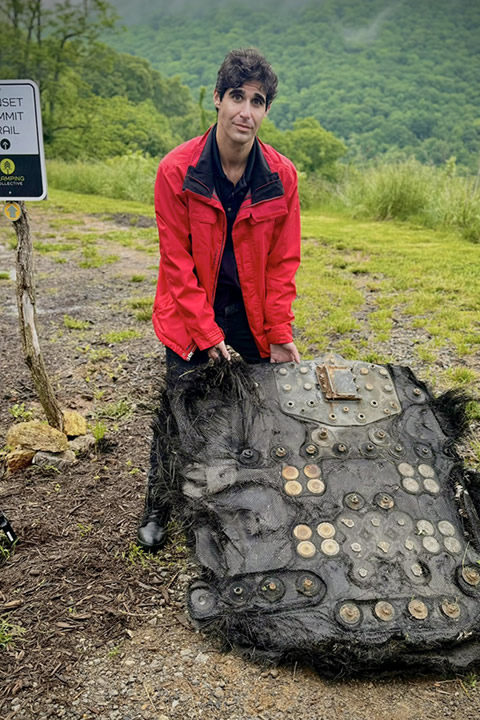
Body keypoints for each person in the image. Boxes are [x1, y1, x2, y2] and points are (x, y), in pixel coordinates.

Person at [137, 48, 302, 550]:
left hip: (249, 313)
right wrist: (208, 336)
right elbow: (177, 264)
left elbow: (281, 265)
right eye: (237, 97)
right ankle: (157, 507)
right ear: (216, 99)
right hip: (190, 315)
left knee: (251, 415)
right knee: (180, 411)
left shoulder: (281, 177)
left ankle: (244, 509)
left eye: (257, 101)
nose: (245, 112)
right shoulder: (177, 171)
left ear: (266, 110)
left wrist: (278, 335)